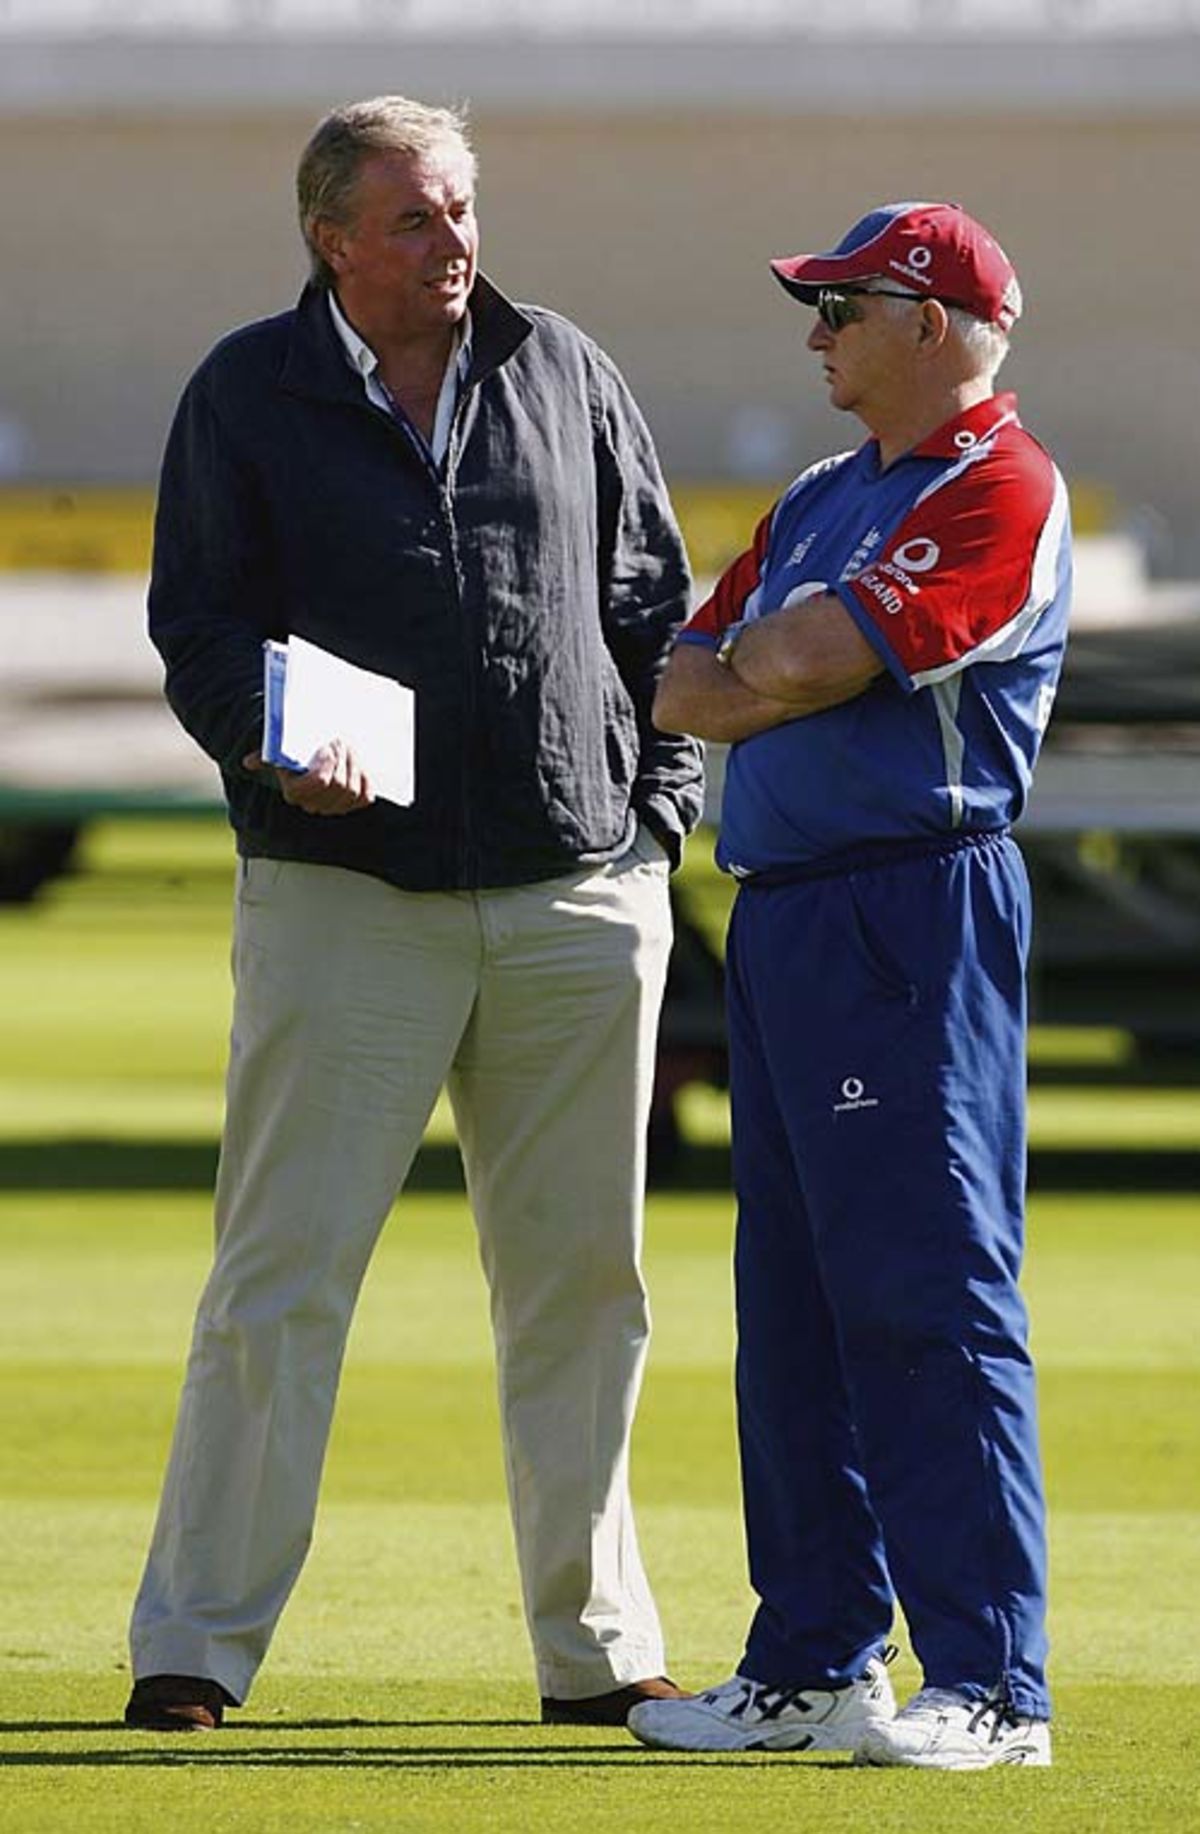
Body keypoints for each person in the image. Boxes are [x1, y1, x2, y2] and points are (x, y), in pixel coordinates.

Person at [123, 95, 702, 1733]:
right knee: (279, 1281)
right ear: (330, 242)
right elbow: (199, 620)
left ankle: (595, 1651)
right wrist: (263, 735)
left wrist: (656, 821)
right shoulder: (247, 388)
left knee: (587, 1291)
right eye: (413, 220)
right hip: (341, 901)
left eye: (459, 210)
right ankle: (195, 1647)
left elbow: (655, 608)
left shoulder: (567, 368)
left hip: (577, 894)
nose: (452, 243)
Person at [627, 201, 1069, 1769]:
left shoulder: (1003, 482)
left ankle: (993, 1682)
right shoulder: (824, 491)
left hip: (910, 909)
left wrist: (780, 666)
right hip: (788, 918)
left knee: (927, 1292)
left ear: (933, 322)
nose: (815, 335)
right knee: (795, 1305)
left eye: (843, 306)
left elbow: (805, 662)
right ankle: (814, 1661)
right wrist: (775, 664)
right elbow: (691, 675)